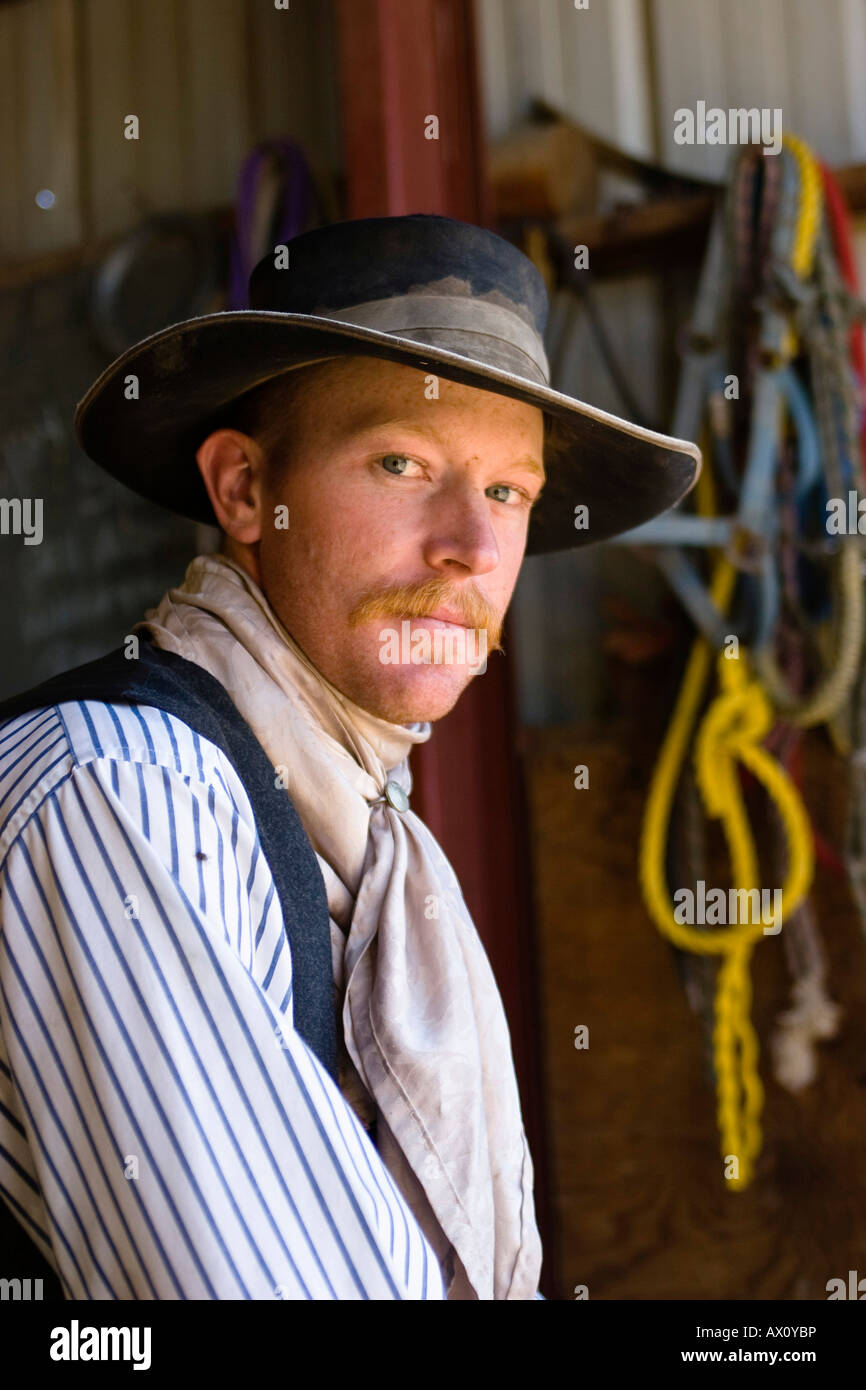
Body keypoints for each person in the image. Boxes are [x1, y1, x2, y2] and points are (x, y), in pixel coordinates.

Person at [0, 214, 700, 1299]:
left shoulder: (381, 849)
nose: (470, 545)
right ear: (241, 492)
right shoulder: (124, 790)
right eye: (400, 461)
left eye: (507, 490)